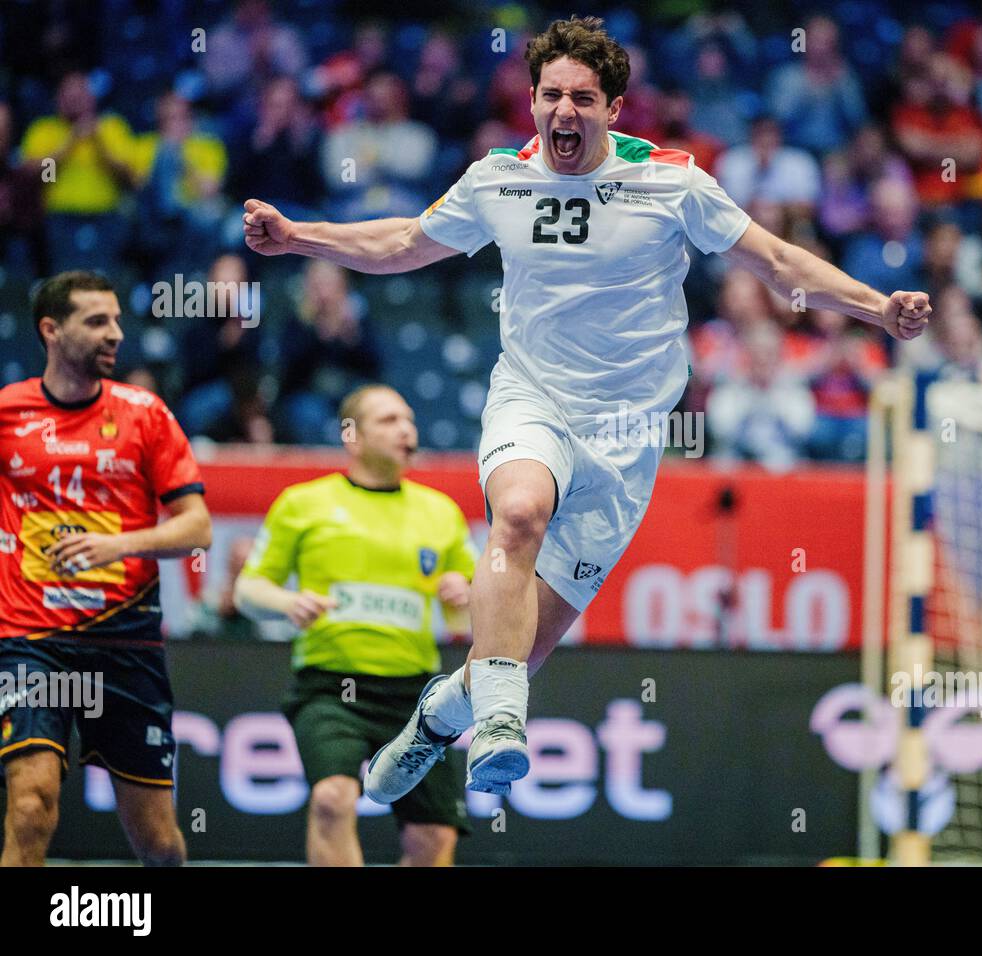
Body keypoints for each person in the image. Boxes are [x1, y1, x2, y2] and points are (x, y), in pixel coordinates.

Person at [242, 15, 930, 801]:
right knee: (519, 513)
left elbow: (775, 261)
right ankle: (501, 727)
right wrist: (297, 237)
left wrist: (877, 308)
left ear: (614, 107)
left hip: (627, 437)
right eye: (549, 95)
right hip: (533, 396)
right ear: (531, 100)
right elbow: (402, 242)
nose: (563, 111)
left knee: (519, 648)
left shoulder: (674, 182)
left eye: (582, 98)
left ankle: (437, 719)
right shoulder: (496, 179)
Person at [0, 271, 212, 866]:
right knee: (30, 805)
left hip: (125, 641)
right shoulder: (8, 413)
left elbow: (196, 528)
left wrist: (116, 545)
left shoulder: (146, 414)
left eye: (117, 319)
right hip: (32, 639)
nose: (115, 334)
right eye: (97, 322)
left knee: (158, 842)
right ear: (51, 330)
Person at [233, 384, 475, 866]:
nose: (406, 429)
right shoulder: (303, 503)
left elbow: (464, 621)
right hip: (328, 689)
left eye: (409, 419)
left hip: (414, 697)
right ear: (352, 435)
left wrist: (464, 593)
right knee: (333, 797)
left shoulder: (441, 513)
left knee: (432, 838)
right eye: (388, 420)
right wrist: (286, 601)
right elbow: (247, 592)